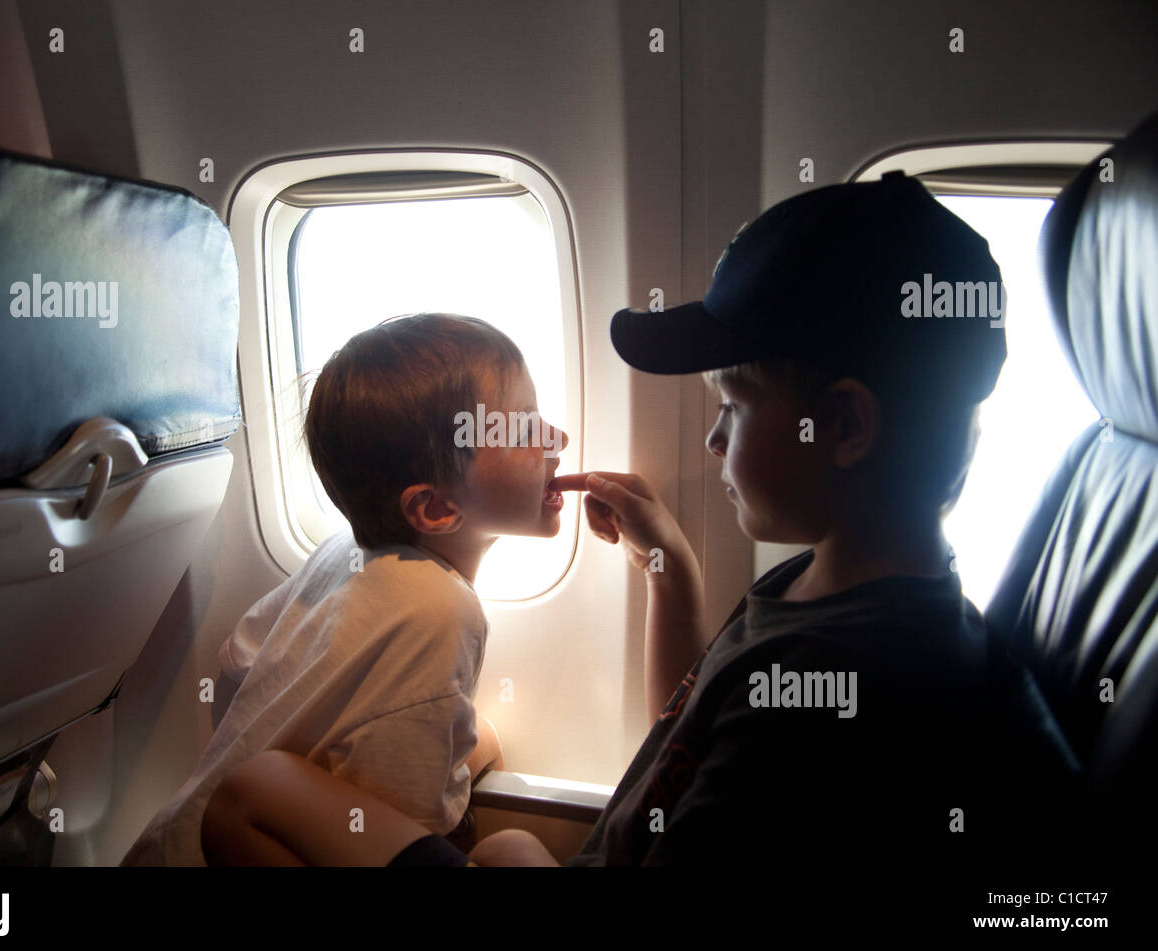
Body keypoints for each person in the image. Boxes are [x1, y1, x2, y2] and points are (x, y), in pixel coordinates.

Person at [199, 175, 1078, 869]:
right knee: (506, 844)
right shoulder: (819, 584)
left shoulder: (853, 692)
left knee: (252, 793)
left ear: (844, 425)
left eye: (734, 406)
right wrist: (671, 565)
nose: (713, 438)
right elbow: (682, 736)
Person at [121, 313, 568, 865]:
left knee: (486, 743)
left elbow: (240, 657)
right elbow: (408, 830)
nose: (558, 439)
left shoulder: (343, 551)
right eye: (522, 433)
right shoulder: (442, 611)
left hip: (169, 843)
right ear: (434, 507)